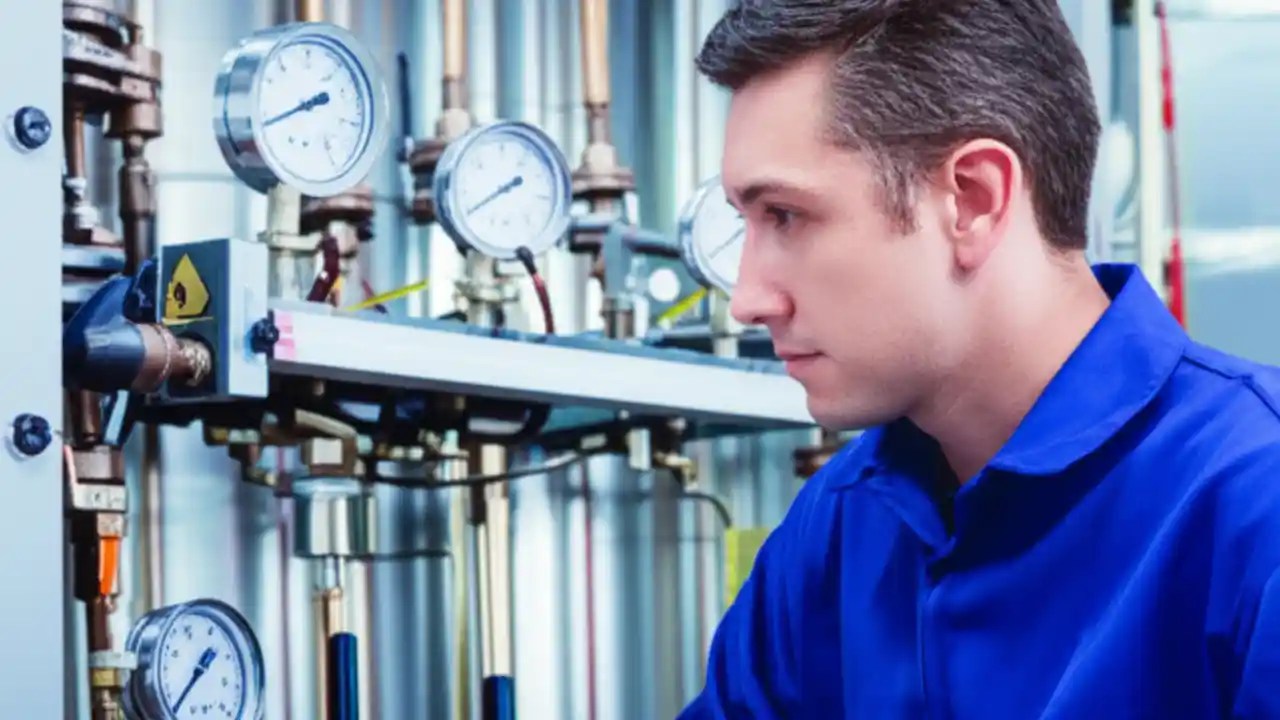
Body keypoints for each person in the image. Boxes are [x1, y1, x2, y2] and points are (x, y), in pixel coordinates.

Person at [678, 1, 1280, 718]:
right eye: (746, 224)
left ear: (973, 199)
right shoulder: (836, 528)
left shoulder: (1252, 503)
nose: (748, 299)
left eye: (785, 215)